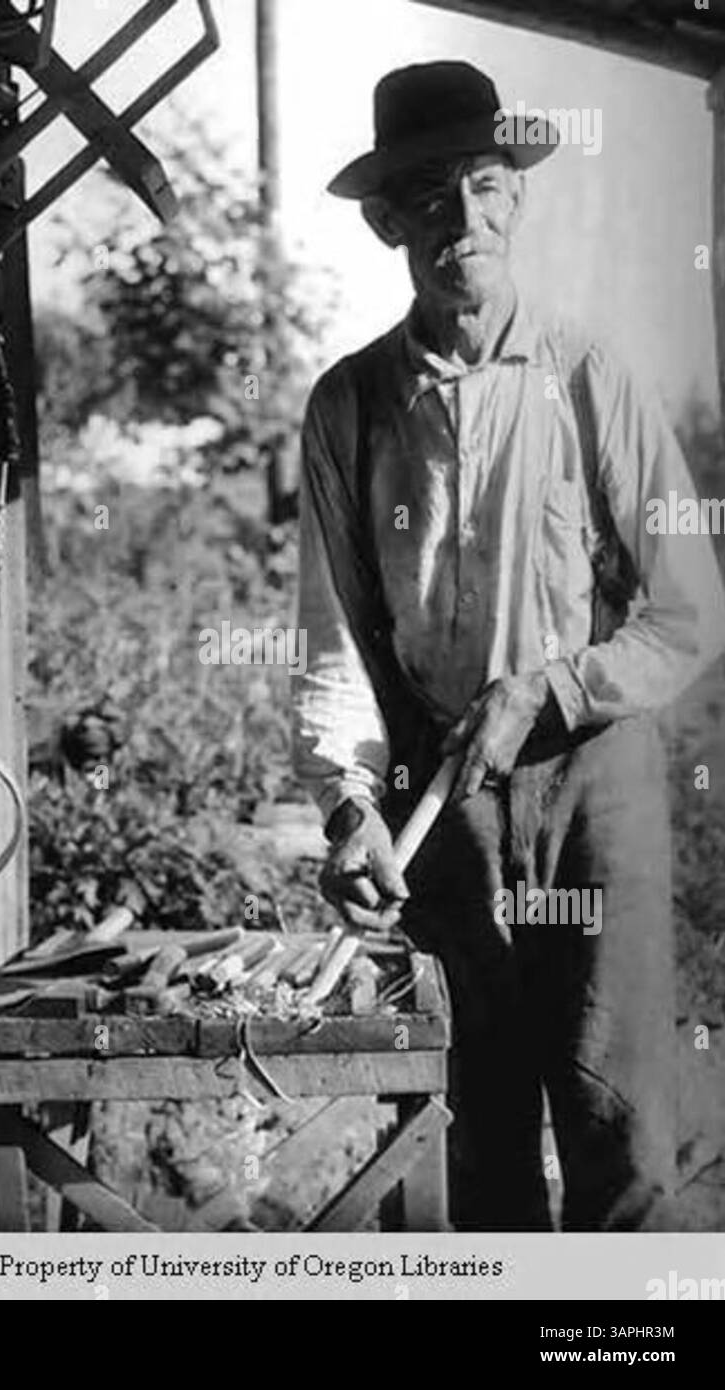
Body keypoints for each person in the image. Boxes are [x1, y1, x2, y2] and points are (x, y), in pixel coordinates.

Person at [293, 61, 725, 1230]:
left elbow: (692, 610)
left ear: (518, 200)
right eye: (430, 197)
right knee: (469, 1124)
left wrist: (552, 685)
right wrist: (349, 807)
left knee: (619, 1123)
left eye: (486, 188)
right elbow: (335, 642)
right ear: (388, 222)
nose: (464, 222)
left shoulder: (593, 379)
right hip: (446, 800)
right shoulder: (348, 409)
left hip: (596, 784)